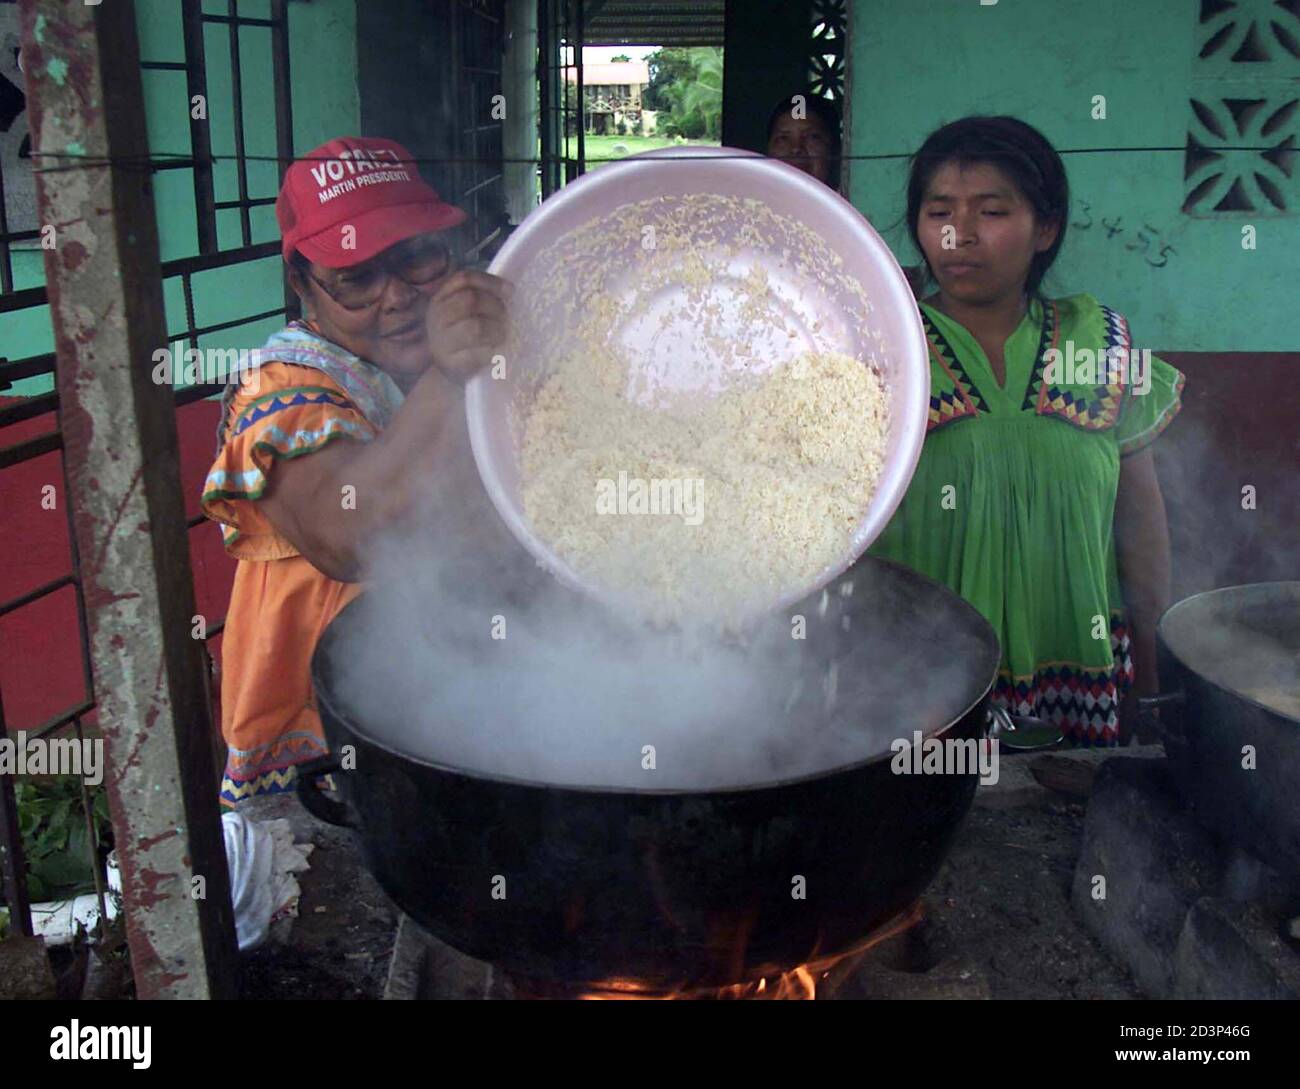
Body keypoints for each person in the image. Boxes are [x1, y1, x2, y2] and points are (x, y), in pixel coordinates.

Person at [200, 136, 512, 805]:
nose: (397, 297)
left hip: (455, 690)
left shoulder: (455, 354)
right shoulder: (278, 392)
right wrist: (455, 378)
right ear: (302, 286)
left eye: (417, 259)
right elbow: (349, 534)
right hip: (333, 747)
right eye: (356, 278)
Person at [869, 116, 1184, 746]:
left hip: (1077, 693)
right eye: (939, 213)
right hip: (911, 691)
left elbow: (1140, 531)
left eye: (990, 211)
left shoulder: (1100, 344)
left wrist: (1150, 688)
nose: (959, 235)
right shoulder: (878, 349)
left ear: (1045, 228)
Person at [765, 92, 841, 191]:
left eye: (812, 137)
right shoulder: (748, 202)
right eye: (783, 138)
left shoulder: (842, 206)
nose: (796, 148)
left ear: (834, 148)